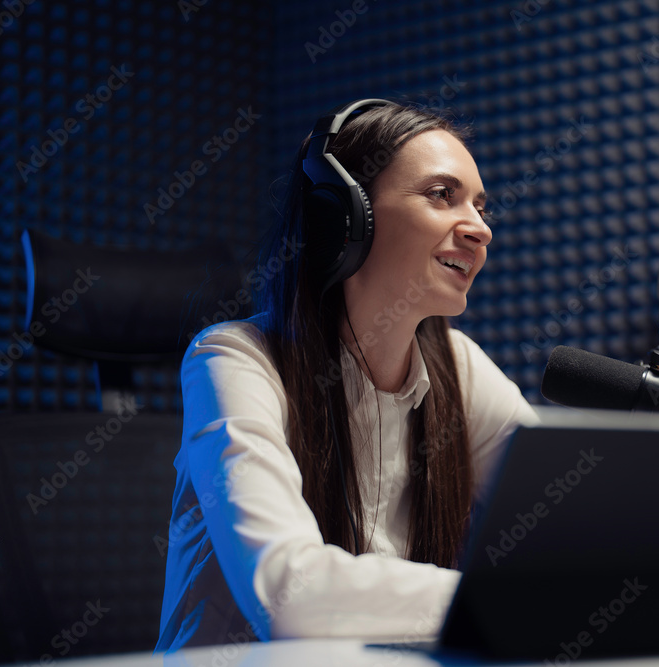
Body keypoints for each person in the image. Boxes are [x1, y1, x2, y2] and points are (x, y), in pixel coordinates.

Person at [155, 100, 537, 650]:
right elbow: (292, 595)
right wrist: (502, 597)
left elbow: (568, 524)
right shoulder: (234, 360)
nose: (481, 230)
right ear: (345, 218)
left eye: (481, 206)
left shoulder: (461, 369)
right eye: (441, 195)